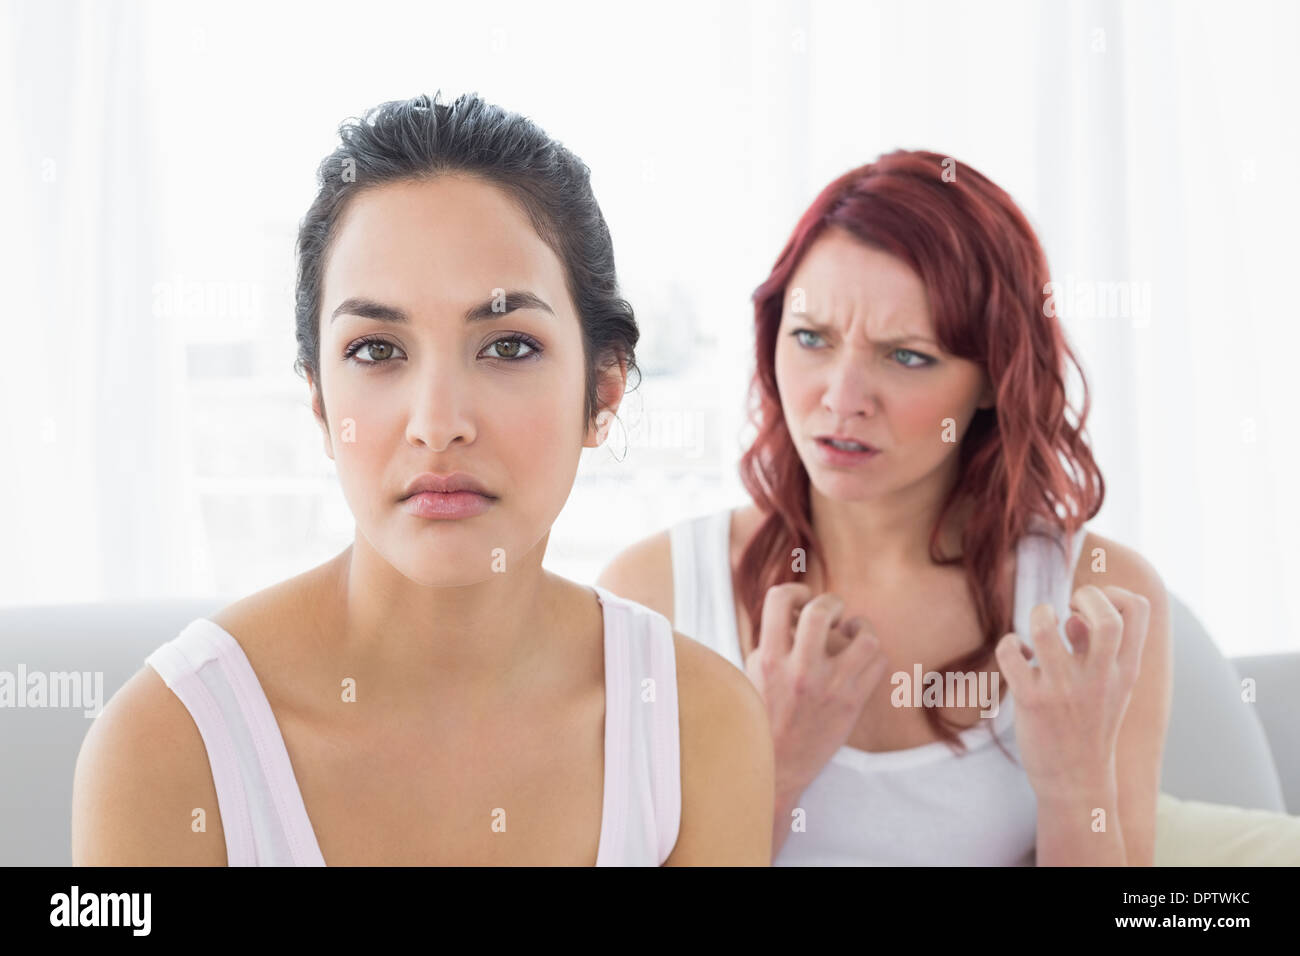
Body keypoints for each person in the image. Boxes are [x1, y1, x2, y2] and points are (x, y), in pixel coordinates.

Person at [71, 92, 773, 866]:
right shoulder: (167, 747)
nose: (438, 424)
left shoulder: (699, 729)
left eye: (507, 346)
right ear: (317, 398)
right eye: (377, 350)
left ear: (603, 388)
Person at [598, 150, 1172, 866]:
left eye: (906, 356)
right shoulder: (651, 596)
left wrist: (1073, 787)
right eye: (811, 338)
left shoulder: (1097, 603)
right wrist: (769, 767)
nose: (841, 398)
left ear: (995, 377)